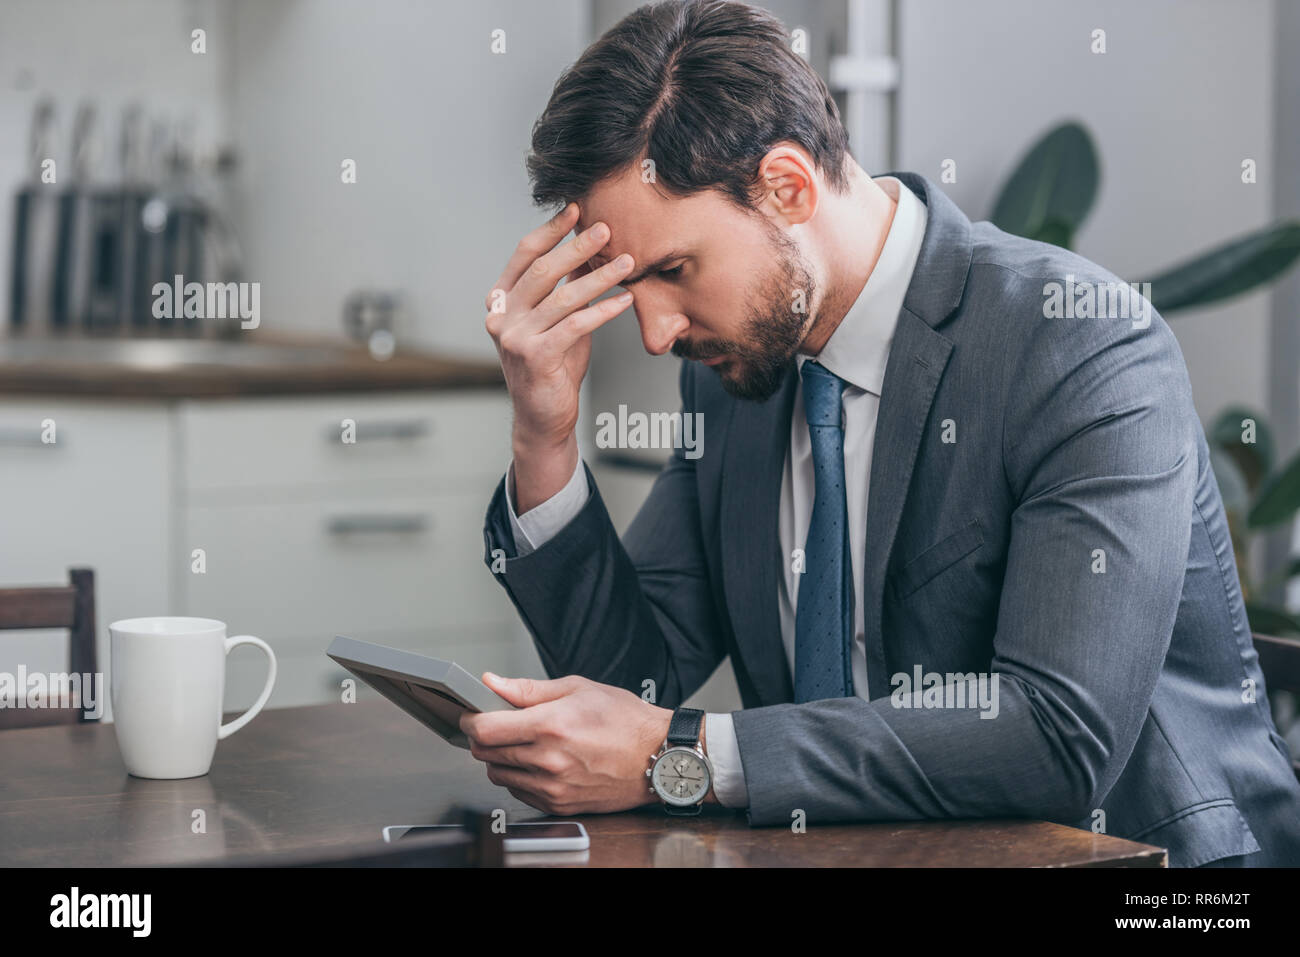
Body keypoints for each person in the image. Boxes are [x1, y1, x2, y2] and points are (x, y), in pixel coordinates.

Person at [460, 0, 1300, 867]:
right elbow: (633, 686)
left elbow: (1055, 734)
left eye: (674, 270)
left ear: (788, 186)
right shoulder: (733, 372)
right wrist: (545, 436)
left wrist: (684, 754)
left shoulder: (1081, 346)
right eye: (634, 287)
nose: (657, 333)